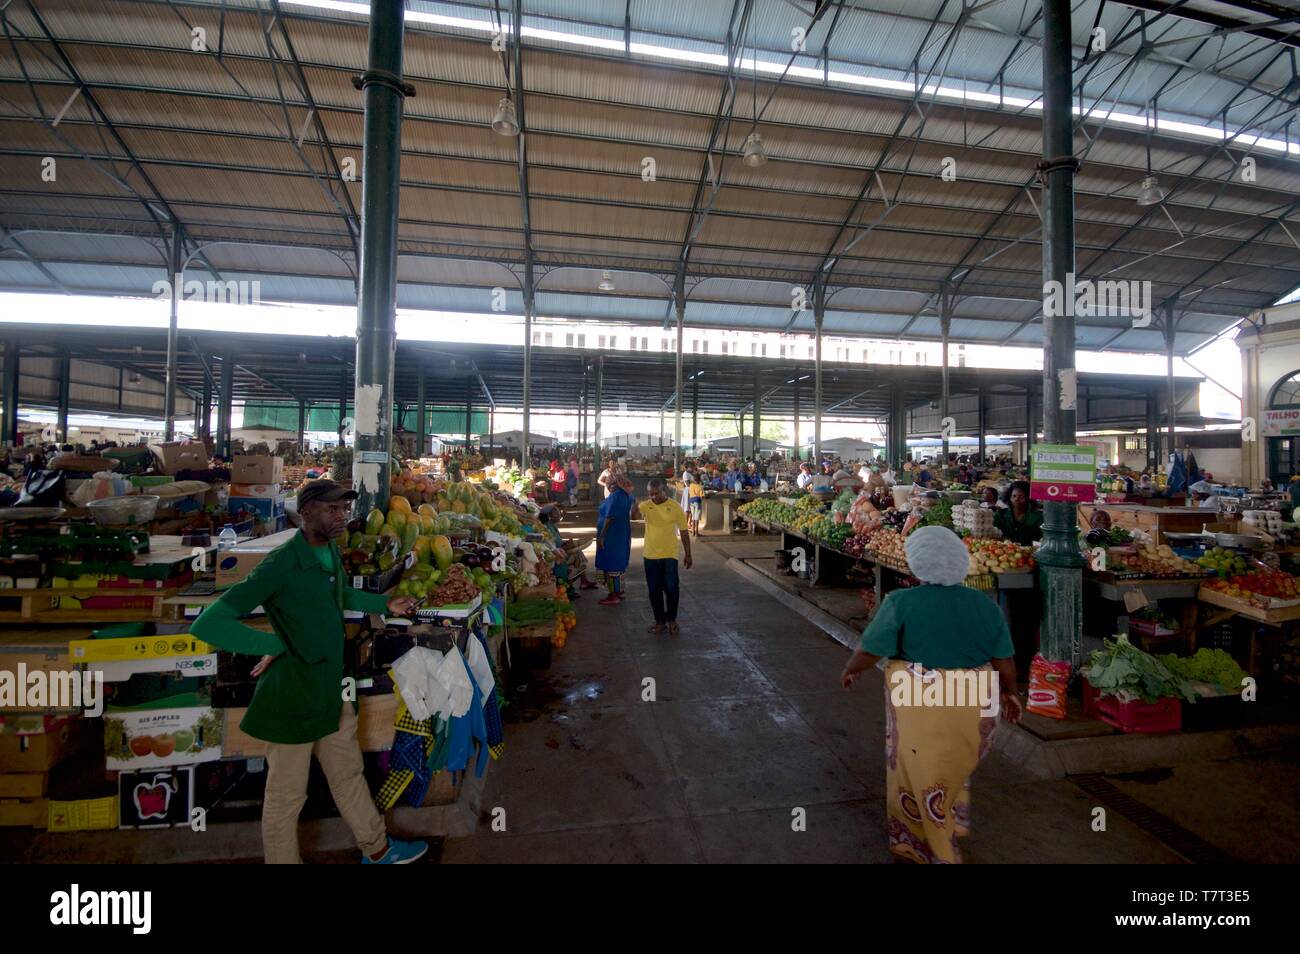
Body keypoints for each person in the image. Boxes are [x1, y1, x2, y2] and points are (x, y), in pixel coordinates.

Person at [191, 480, 426, 865]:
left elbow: (340, 595)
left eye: (345, 510)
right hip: (292, 698)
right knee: (287, 797)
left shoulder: (329, 552)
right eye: (332, 510)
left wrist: (385, 602)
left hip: (331, 689)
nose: (341, 517)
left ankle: (377, 849)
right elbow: (209, 623)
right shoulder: (280, 565)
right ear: (306, 511)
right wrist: (276, 645)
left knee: (348, 775)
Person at [840, 526, 1021, 864]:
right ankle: (949, 817)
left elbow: (870, 648)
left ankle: (924, 844)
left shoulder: (901, 601)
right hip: (970, 704)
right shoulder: (983, 604)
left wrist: (851, 668)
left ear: (916, 564)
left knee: (916, 769)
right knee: (951, 763)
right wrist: (1011, 693)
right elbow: (1003, 659)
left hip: (920, 703)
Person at [631, 477, 692, 636]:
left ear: (664, 490)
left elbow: (684, 532)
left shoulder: (675, 507)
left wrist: (688, 554)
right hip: (650, 556)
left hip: (670, 554)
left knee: (672, 588)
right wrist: (635, 505)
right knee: (654, 590)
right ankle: (660, 621)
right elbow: (634, 517)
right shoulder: (646, 506)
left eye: (656, 493)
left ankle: (672, 620)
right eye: (650, 494)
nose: (654, 497)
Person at [595, 475, 634, 605]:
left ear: (613, 485)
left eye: (608, 484)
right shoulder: (626, 495)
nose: (607, 486)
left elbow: (609, 518)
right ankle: (619, 590)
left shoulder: (615, 496)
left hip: (612, 535)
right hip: (622, 533)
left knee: (611, 563)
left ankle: (613, 595)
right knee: (619, 561)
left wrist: (602, 536)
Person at [994, 480, 1043, 545]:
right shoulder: (1001, 514)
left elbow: (1042, 539)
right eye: (1014, 496)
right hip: (1001, 551)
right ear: (1009, 497)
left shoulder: (1037, 517)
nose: (1016, 499)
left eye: (1022, 497)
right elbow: (993, 532)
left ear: (1028, 498)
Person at [687, 471, 704, 537]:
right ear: (699, 479)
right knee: (696, 518)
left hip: (691, 501)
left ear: (693, 479)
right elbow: (702, 496)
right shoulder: (700, 487)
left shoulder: (691, 485)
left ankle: (693, 532)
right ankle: (696, 532)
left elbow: (689, 493)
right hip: (697, 502)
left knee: (693, 517)